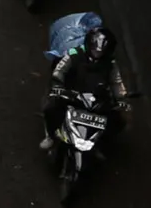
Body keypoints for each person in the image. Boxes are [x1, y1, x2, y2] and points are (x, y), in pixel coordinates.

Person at [40, 22, 118, 150]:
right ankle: (50, 136)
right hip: (71, 95)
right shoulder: (74, 54)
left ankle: (100, 145)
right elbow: (59, 71)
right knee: (51, 109)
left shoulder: (110, 64)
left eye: (101, 52)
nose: (97, 54)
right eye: (95, 50)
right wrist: (58, 86)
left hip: (95, 100)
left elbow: (116, 82)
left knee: (117, 120)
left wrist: (122, 99)